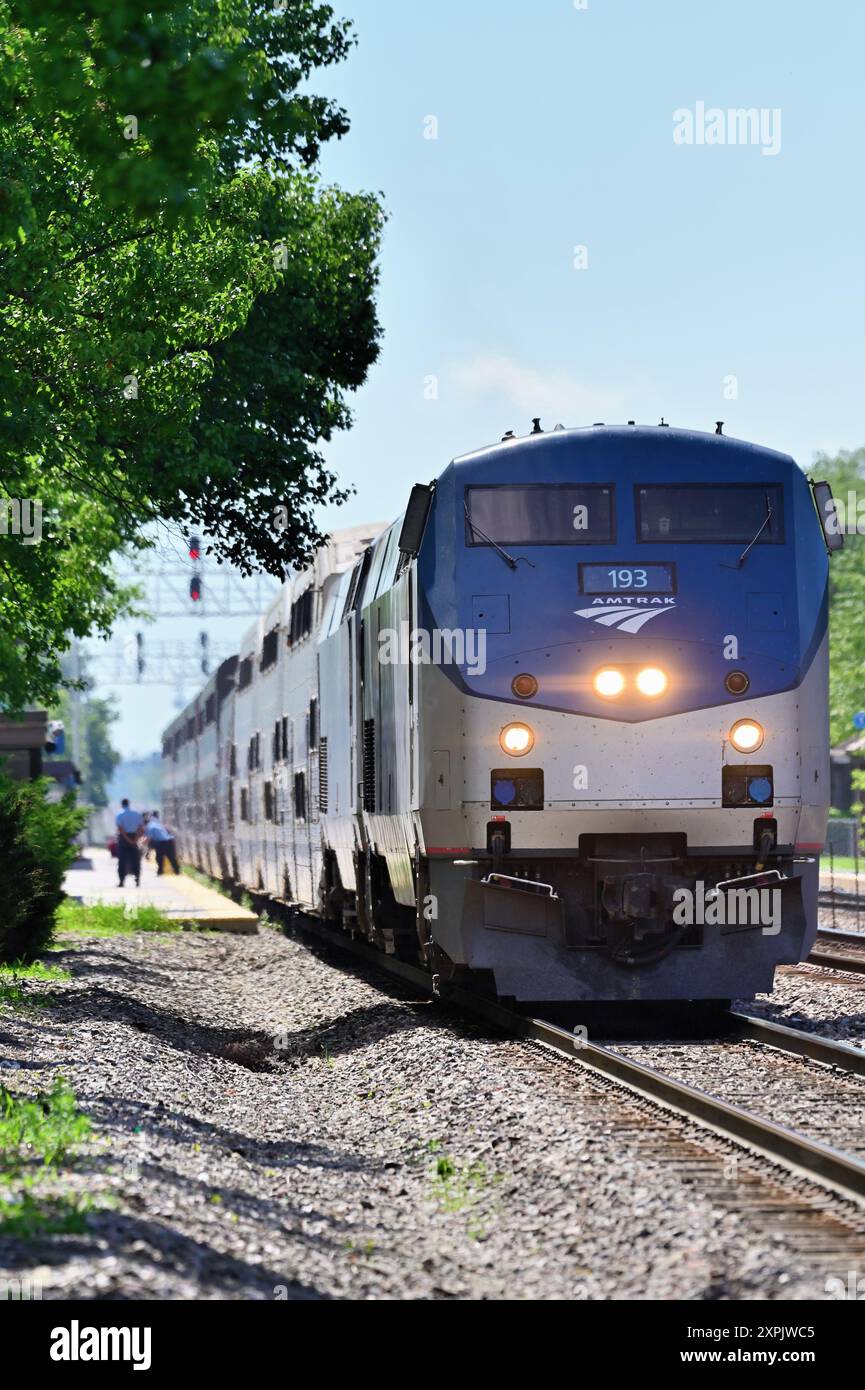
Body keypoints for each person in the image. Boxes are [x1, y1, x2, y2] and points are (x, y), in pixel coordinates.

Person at [115, 798, 143, 887]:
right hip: (134, 837)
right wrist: (135, 839)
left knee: (122, 860)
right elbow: (140, 828)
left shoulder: (120, 814)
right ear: (129, 804)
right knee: (136, 859)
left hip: (124, 838)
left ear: (122, 804)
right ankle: (137, 880)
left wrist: (127, 839)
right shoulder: (137, 814)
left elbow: (120, 829)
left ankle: (121, 881)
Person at [144, 811, 180, 876]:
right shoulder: (157, 823)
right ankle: (175, 871)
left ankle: (162, 871)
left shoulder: (150, 826)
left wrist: (142, 845)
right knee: (168, 857)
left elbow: (148, 838)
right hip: (168, 841)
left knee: (161, 857)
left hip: (163, 842)